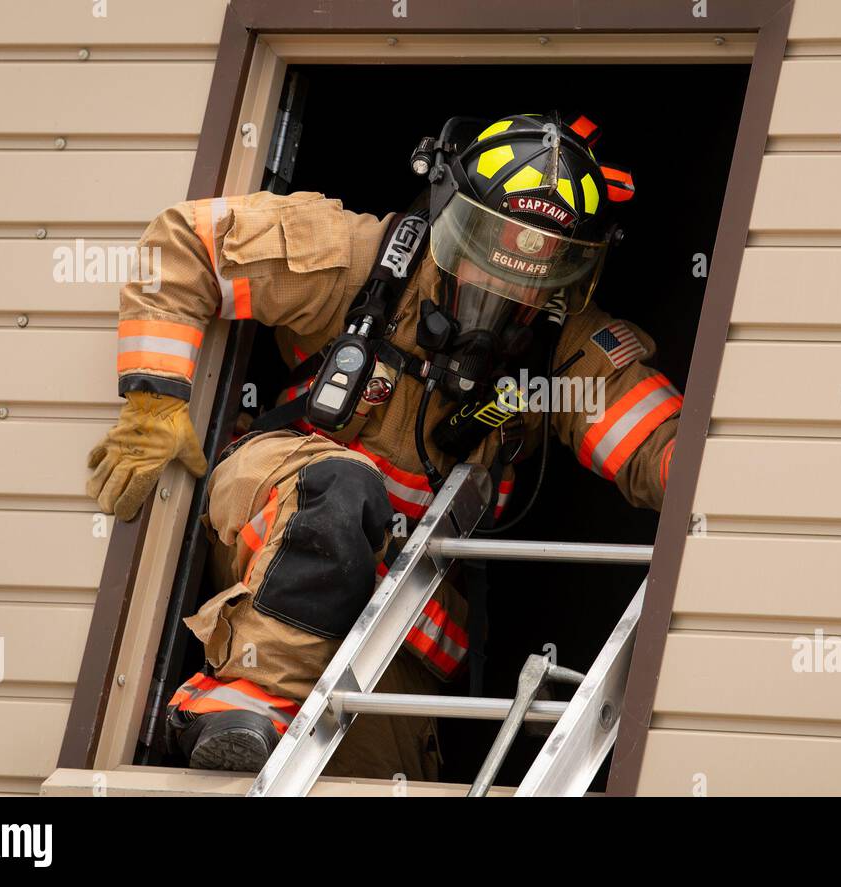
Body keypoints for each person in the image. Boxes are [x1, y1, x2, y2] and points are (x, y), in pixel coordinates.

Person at [86, 113, 682, 777]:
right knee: (342, 489)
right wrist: (154, 401)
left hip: (400, 613)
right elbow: (186, 244)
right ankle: (241, 701)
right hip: (281, 515)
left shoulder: (564, 346)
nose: (506, 282)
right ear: (449, 210)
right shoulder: (365, 262)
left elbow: (662, 449)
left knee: (378, 780)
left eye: (543, 262)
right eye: (487, 242)